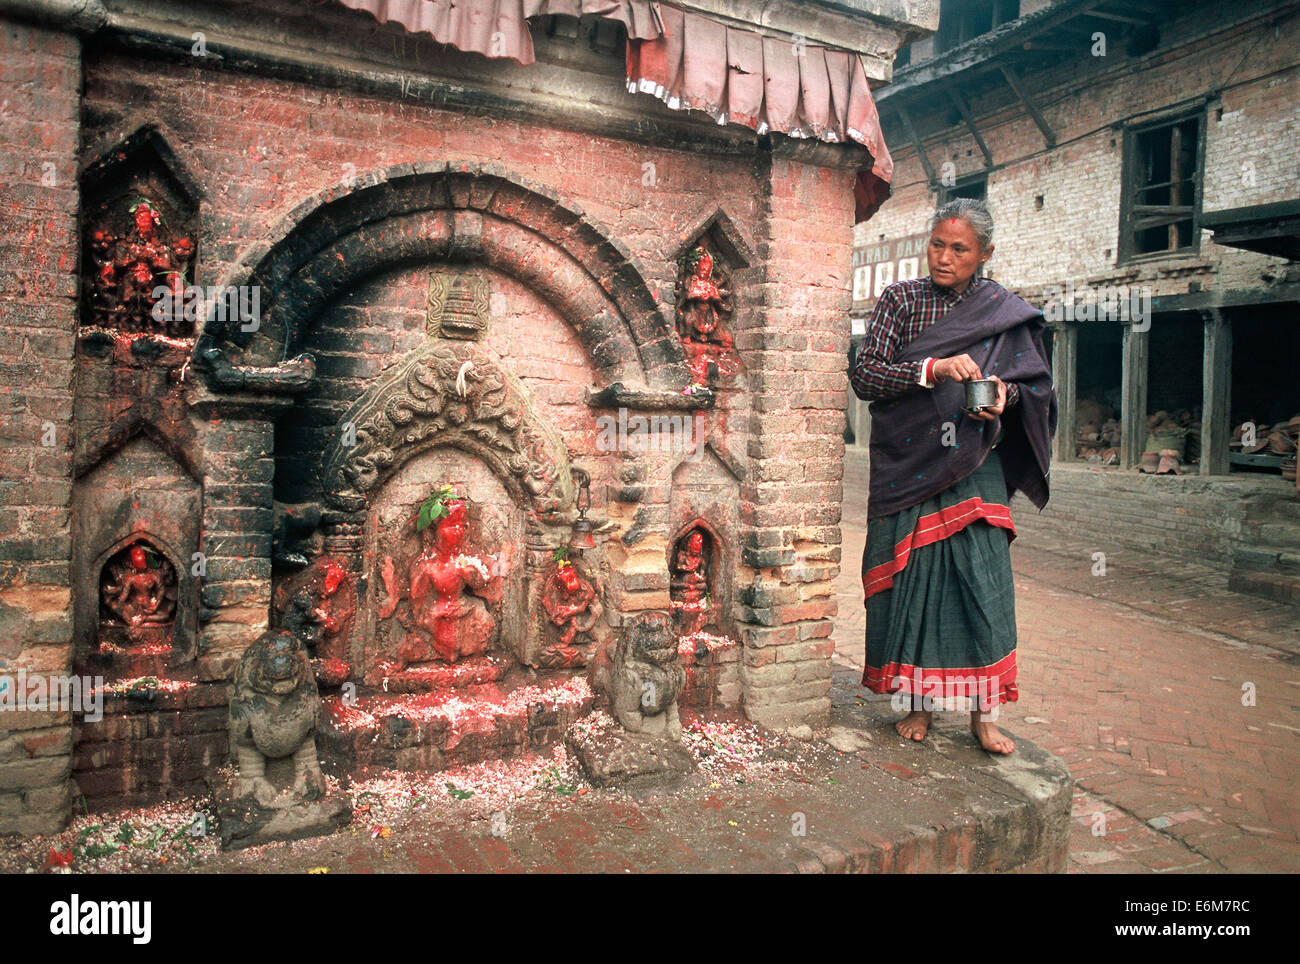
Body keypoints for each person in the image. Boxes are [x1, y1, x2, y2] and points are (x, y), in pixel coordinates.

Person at [849, 198, 1056, 754]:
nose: (944, 257)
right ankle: (919, 704)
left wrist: (1007, 397)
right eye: (937, 245)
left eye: (959, 249)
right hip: (911, 463)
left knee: (983, 580)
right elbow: (866, 375)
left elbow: (1039, 388)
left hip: (975, 462)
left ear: (984, 254)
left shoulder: (1004, 311)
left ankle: (984, 714)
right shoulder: (902, 299)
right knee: (918, 575)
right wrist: (931, 370)